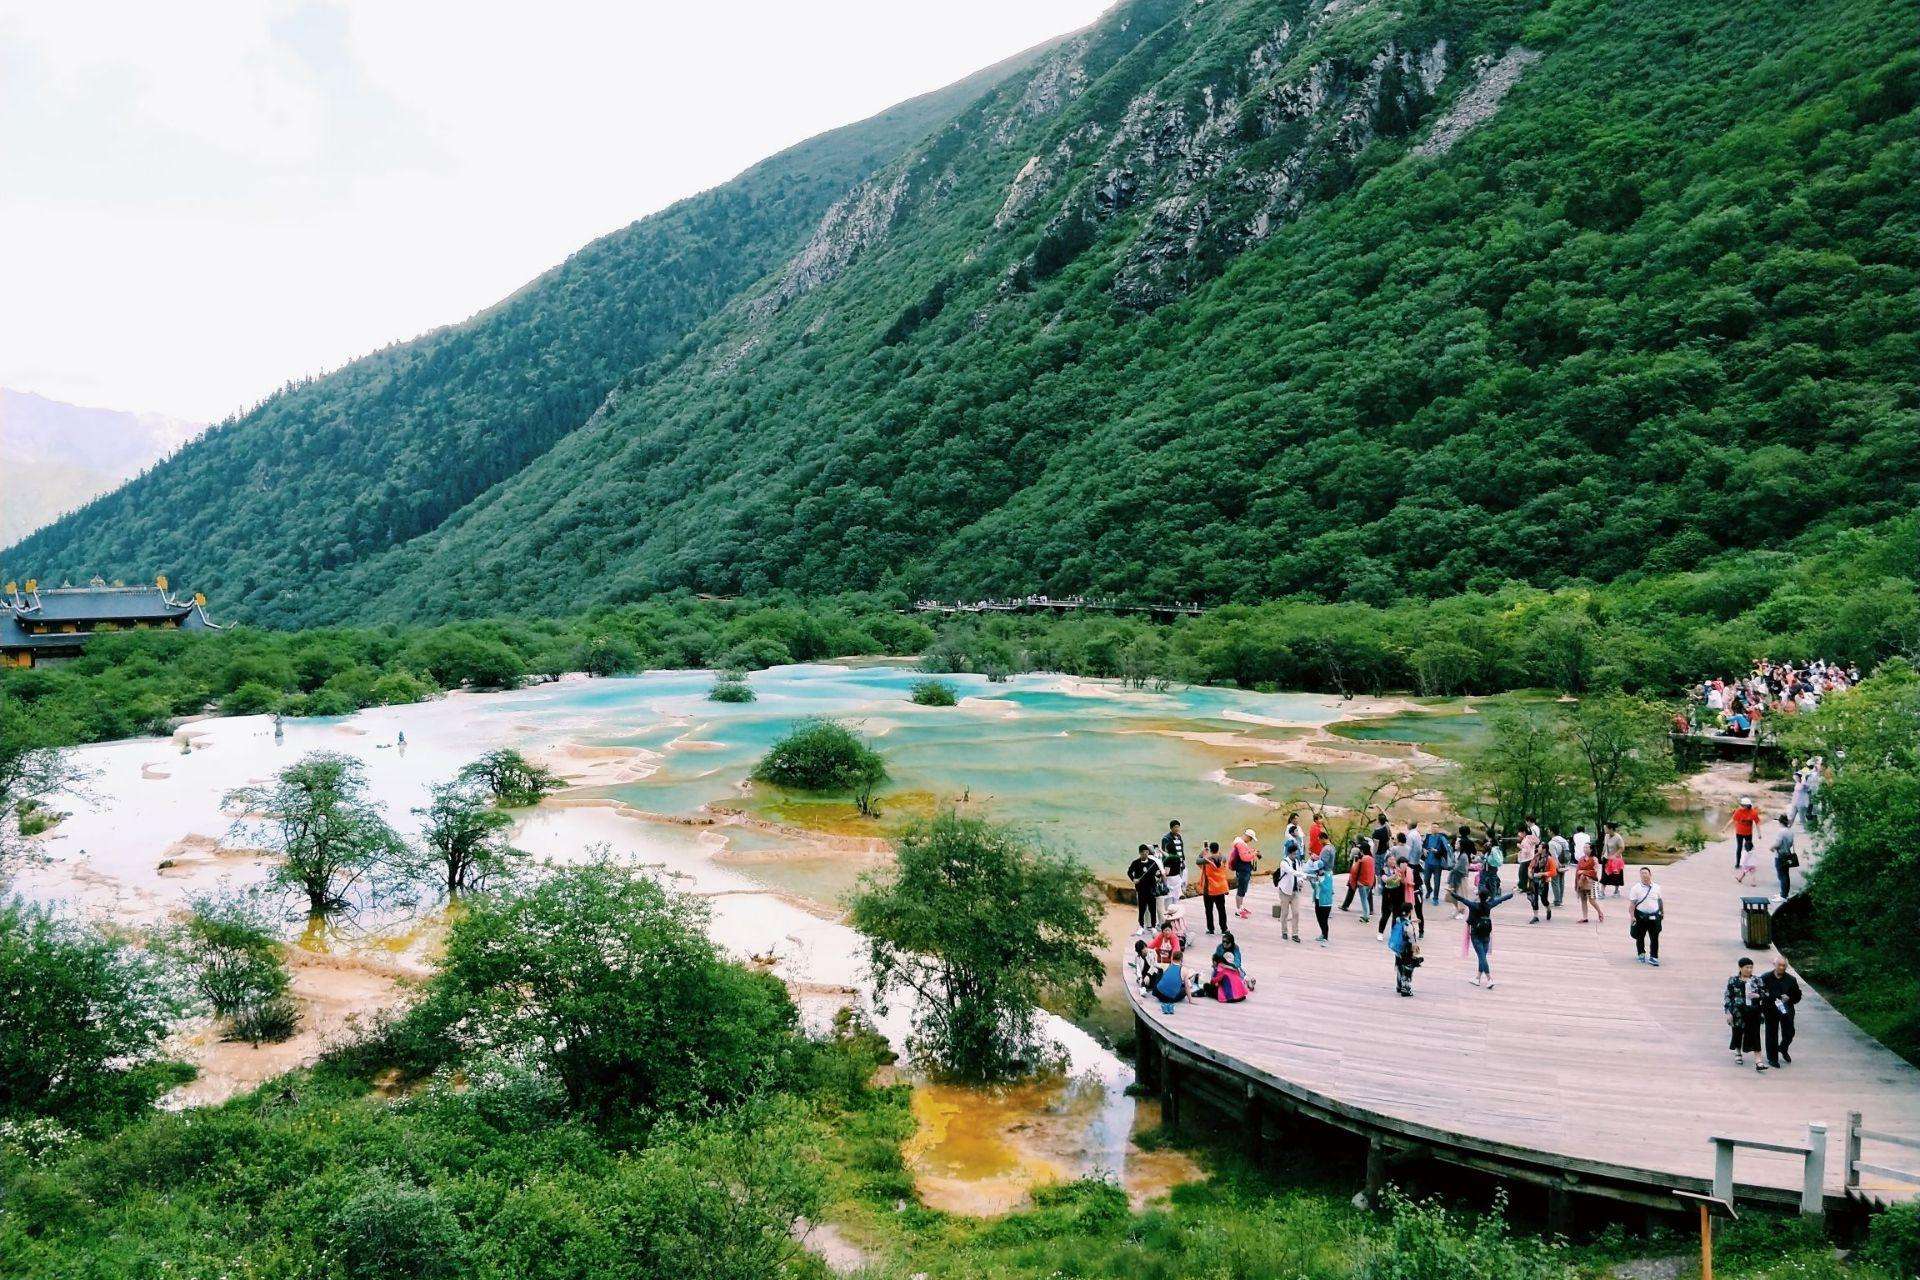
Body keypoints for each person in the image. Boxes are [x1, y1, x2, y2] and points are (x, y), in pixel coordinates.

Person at [1452, 885, 1513, 988]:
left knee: (1482, 957)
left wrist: (1452, 893)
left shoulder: (1474, 905)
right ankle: (1477, 978)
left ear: (1479, 896)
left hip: (1476, 935)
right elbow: (1501, 899)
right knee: (1482, 956)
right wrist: (1511, 894)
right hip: (1486, 934)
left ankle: (1489, 979)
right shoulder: (1489, 905)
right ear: (1487, 897)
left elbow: (1462, 899)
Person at [1758, 957, 1802, 1067]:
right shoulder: (1765, 977)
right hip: (1770, 1009)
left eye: (1784, 966)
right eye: (1780, 965)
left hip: (1786, 1009)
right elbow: (1758, 994)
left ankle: (1783, 1048)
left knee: (1789, 1032)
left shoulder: (1791, 979)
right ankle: (1772, 1058)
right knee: (1771, 1033)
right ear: (1774, 964)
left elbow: (1798, 996)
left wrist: (1790, 997)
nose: (1782, 967)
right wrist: (1761, 1010)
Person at [1725, 957, 1765, 1070]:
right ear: (1740, 968)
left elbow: (1765, 993)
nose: (1749, 970)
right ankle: (1738, 1053)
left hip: (1753, 1011)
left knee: (1755, 1034)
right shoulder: (1733, 980)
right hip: (1738, 1011)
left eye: (1751, 967)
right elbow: (1728, 996)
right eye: (1747, 967)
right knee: (1737, 1032)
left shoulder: (1757, 980)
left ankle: (1758, 1060)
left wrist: (1759, 996)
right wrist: (1728, 1012)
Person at [1629, 867, 1664, 965]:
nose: (1644, 875)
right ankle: (1641, 953)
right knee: (1640, 936)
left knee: (1655, 937)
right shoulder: (1636, 888)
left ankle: (1653, 956)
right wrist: (1632, 916)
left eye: (1645, 873)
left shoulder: (1657, 887)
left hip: (1654, 916)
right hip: (1640, 916)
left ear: (1650, 874)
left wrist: (1662, 912)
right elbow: (1632, 904)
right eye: (1642, 873)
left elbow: (1660, 901)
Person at [1127, 844, 1163, 933]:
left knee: (1152, 908)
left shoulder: (1152, 863)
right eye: (1143, 853)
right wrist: (1133, 879)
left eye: (1146, 852)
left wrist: (1159, 874)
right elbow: (1129, 872)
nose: (1145, 854)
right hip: (1141, 889)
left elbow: (1158, 873)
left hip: (1151, 889)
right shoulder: (1135, 863)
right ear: (1140, 853)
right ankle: (1141, 926)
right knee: (1142, 909)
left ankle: (1153, 926)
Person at [1271, 846, 1304, 943]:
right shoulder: (1284, 863)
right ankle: (1284, 931)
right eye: (1294, 853)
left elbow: (1299, 871)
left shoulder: (1297, 862)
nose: (1296, 855)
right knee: (1284, 913)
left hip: (1295, 891)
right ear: (1290, 853)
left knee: (1296, 913)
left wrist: (1301, 880)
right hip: (1285, 891)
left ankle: (1295, 934)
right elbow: (1291, 872)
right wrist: (1304, 876)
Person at [1388, 905, 1421, 996]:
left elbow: (1404, 924)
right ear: (1410, 912)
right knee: (1407, 968)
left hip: (1398, 949)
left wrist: (1411, 921)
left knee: (1399, 966)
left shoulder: (1398, 919)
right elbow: (1410, 935)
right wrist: (1415, 947)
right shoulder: (1408, 925)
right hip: (1406, 949)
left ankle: (1399, 985)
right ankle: (1405, 989)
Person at [1199, 841, 1231, 935]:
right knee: (1221, 909)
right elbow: (1221, 857)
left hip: (1209, 889)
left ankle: (1211, 929)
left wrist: (1203, 852)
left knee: (1209, 910)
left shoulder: (1207, 860)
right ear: (1218, 849)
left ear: (1211, 849)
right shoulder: (1223, 858)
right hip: (1221, 888)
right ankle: (1224, 928)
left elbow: (1198, 860)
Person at [1229, 828, 1260, 919]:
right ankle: (1238, 910)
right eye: (1250, 838)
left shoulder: (1241, 843)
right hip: (1242, 869)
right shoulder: (1240, 844)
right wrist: (1254, 854)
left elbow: (1245, 854)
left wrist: (1252, 852)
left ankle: (1241, 907)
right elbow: (1245, 858)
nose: (1250, 841)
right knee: (1241, 889)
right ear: (1247, 836)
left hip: (1243, 869)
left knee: (1243, 889)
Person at [1344, 838, 1376, 921]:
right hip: (1369, 883)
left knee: (1364, 900)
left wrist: (1353, 882)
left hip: (1362, 883)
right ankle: (1367, 913)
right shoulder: (1371, 859)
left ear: (1362, 850)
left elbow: (1354, 871)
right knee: (1366, 898)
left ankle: (1366, 916)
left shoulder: (1362, 860)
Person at [1160, 820, 1187, 918]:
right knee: (1171, 891)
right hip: (1172, 863)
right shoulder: (1166, 838)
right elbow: (1164, 851)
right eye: (1175, 827)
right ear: (1171, 828)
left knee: (1178, 882)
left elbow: (1181, 849)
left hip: (1179, 862)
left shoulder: (1179, 837)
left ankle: (1174, 907)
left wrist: (1183, 860)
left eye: (1178, 827)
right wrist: (1165, 862)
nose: (1177, 829)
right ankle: (1170, 911)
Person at [1726, 797, 1761, 870]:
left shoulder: (1753, 812)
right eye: (1741, 805)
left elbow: (1757, 823)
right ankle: (1738, 863)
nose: (1741, 806)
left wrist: (1759, 833)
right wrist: (1725, 828)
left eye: (1743, 805)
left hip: (1748, 833)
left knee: (1749, 848)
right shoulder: (1738, 811)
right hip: (1739, 833)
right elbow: (1732, 820)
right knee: (1739, 847)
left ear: (1748, 805)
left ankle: (1748, 862)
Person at [1526, 838, 1554, 923]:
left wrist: (1543, 874)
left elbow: (1553, 871)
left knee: (1543, 899)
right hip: (1534, 880)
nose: (1538, 848)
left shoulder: (1549, 859)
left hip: (1543, 881)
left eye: (1540, 847)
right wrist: (1529, 873)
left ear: (1544, 849)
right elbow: (1530, 867)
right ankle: (1536, 916)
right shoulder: (1536, 857)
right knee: (1534, 898)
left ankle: (1548, 909)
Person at [1574, 845, 1604, 923]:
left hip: (1591, 882)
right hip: (1581, 882)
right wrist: (1577, 883)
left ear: (1591, 849)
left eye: (1587, 847)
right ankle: (1585, 917)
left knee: (1592, 900)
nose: (1585, 849)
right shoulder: (1581, 859)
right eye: (1584, 847)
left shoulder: (1594, 859)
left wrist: (1583, 872)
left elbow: (1595, 871)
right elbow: (1577, 871)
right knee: (1583, 900)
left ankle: (1600, 912)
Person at [1771, 814, 1798, 899]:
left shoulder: (1781, 832)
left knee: (1782, 875)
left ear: (1780, 822)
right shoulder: (1790, 831)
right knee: (1785, 874)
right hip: (1787, 854)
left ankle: (1783, 895)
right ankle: (1784, 892)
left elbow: (1778, 843)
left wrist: (1771, 847)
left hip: (1780, 855)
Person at [1547, 827, 1569, 907]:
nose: (1548, 832)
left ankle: (1557, 901)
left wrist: (1557, 865)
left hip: (1556, 863)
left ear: (1552, 832)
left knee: (1555, 881)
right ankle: (1560, 900)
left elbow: (1554, 856)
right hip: (1564, 862)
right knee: (1561, 881)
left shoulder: (1551, 843)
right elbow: (1568, 853)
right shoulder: (1564, 841)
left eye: (1549, 830)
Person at [1601, 824, 1626, 896]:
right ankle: (1602, 892)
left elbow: (1622, 848)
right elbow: (1605, 846)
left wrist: (1615, 856)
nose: (1604, 830)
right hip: (1607, 858)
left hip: (1616, 860)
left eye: (1606, 828)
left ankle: (1616, 890)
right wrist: (1602, 854)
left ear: (1611, 829)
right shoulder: (1606, 836)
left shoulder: (1618, 837)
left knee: (1616, 876)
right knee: (1604, 875)